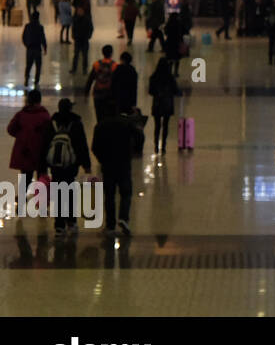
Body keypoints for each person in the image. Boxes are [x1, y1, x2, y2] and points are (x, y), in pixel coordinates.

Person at [38, 98, 92, 236]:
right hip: (70, 165)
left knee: (58, 192)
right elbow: (82, 146)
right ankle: (71, 222)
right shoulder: (76, 123)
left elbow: (44, 145)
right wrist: (86, 165)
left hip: (55, 165)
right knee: (70, 192)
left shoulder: (52, 123)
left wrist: (42, 168)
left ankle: (59, 225)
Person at [92, 105, 142, 236]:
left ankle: (110, 225)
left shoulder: (100, 126)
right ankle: (123, 218)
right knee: (126, 192)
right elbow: (140, 135)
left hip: (108, 165)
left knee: (109, 195)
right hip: (124, 163)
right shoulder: (126, 123)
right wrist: (134, 151)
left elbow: (94, 147)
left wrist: (102, 159)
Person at [8, 89, 52, 185]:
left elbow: (10, 129)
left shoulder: (21, 114)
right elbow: (50, 134)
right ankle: (42, 199)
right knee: (42, 180)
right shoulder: (44, 116)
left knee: (25, 181)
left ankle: (22, 199)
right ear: (39, 100)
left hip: (25, 152)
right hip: (41, 152)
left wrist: (21, 135)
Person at [148, 57, 180, 154]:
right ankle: (163, 146)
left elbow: (150, 91)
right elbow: (176, 91)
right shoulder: (170, 78)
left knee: (157, 126)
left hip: (157, 103)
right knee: (165, 125)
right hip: (167, 104)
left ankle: (156, 145)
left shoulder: (153, 77)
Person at [85, 45, 118, 122]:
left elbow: (90, 79)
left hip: (98, 94)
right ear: (111, 53)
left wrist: (86, 92)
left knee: (99, 115)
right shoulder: (114, 65)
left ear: (102, 53)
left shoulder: (97, 64)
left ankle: (100, 130)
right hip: (109, 94)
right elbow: (116, 82)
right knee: (110, 117)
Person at [21, 11, 47, 88]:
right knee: (38, 66)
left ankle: (26, 79)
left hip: (30, 49)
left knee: (28, 65)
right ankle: (36, 81)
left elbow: (23, 37)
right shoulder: (40, 27)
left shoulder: (27, 26)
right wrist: (45, 47)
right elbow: (43, 38)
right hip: (37, 49)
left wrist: (27, 45)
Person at [111, 51, 139, 116]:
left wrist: (112, 96)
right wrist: (134, 103)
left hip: (119, 97)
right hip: (129, 98)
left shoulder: (118, 69)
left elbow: (113, 83)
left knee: (118, 116)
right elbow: (134, 87)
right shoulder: (132, 70)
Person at [70, 5, 93, 74]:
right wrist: (74, 35)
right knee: (76, 55)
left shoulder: (87, 19)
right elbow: (73, 28)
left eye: (80, 11)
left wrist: (88, 36)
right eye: (78, 11)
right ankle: (74, 69)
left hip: (84, 39)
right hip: (78, 40)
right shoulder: (75, 19)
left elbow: (91, 28)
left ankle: (84, 69)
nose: (79, 12)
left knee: (84, 55)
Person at [162, 11, 183, 77]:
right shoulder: (179, 24)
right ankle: (176, 72)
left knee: (170, 59)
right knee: (176, 59)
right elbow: (182, 32)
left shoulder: (169, 24)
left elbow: (165, 32)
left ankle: (169, 72)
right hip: (177, 42)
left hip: (169, 42)